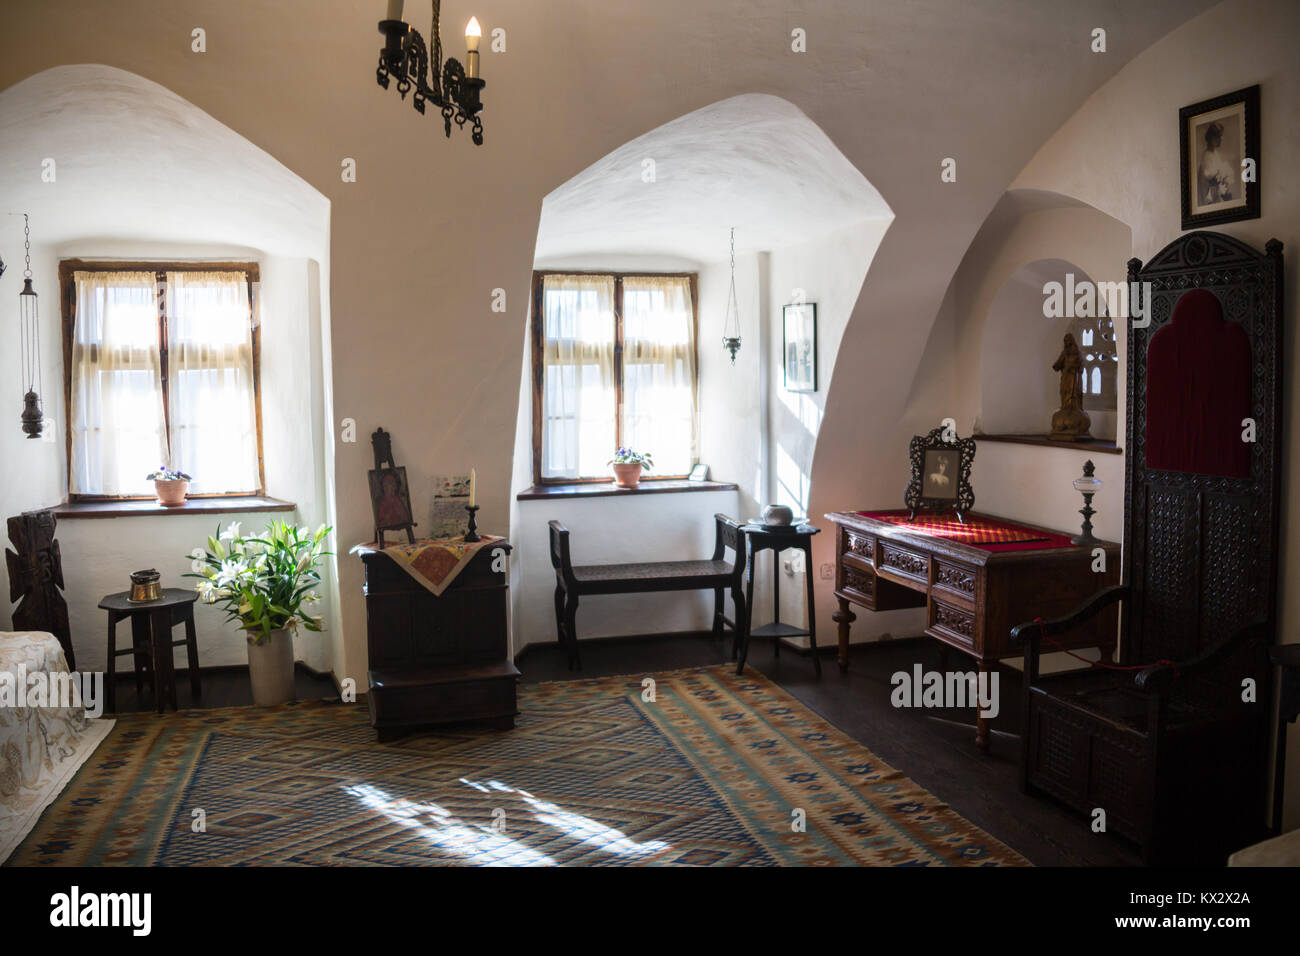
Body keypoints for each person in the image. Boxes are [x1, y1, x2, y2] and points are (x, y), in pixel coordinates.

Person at [1197, 121, 1235, 205]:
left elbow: (1221, 173)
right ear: (1212, 138)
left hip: (1217, 192)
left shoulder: (1215, 154)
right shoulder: (1207, 156)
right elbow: (1210, 177)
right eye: (1219, 136)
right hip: (1210, 196)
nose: (1221, 139)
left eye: (1221, 136)